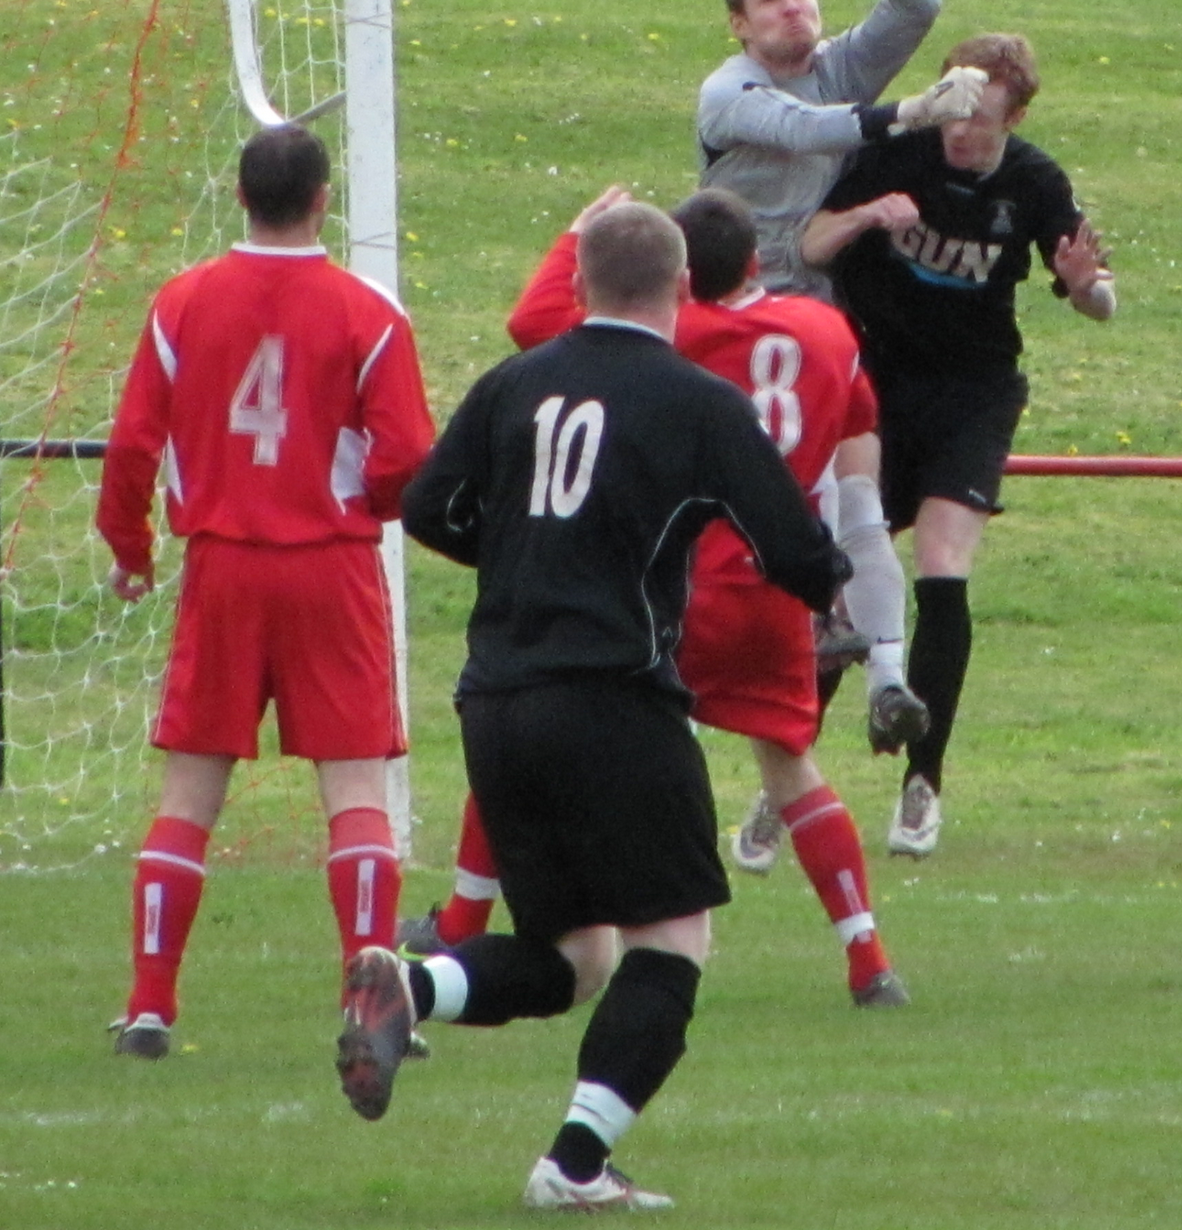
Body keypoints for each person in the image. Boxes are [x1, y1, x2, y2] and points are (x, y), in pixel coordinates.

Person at [338, 201, 849, 1212]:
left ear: (578, 287)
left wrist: (530, 556)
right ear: (683, 291)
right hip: (612, 697)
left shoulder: (514, 382)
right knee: (672, 942)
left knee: (572, 958)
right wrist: (844, 596)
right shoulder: (696, 400)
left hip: (497, 699)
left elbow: (430, 502)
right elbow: (789, 544)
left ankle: (413, 986)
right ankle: (573, 1164)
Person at [402, 186, 910, 1008]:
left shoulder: (662, 338)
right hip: (769, 587)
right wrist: (843, 595)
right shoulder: (827, 329)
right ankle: (867, 954)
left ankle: (463, 917)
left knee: (545, 725)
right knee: (790, 767)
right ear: (753, 261)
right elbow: (858, 431)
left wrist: (577, 238)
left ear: (680, 283)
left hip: (653, 583)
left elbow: (538, 327)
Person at [94, 124, 434, 1059]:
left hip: (222, 566)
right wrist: (369, 502)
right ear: (324, 197)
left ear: (240, 195)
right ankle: (368, 1007)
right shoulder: (368, 311)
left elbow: (131, 444)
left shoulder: (182, 302)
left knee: (191, 786)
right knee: (356, 783)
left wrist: (130, 545)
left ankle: (152, 1004)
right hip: (330, 565)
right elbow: (408, 459)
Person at [700, 0, 980, 828]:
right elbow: (814, 133)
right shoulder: (729, 92)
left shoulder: (834, 65)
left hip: (815, 317)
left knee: (856, 490)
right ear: (739, 23)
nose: (794, 7)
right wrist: (913, 111)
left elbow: (917, 8)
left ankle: (888, 680)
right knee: (767, 500)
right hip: (728, 316)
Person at [801, 33, 1116, 857]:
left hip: (974, 392)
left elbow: (1098, 297)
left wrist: (1087, 288)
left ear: (1015, 116)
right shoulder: (899, 151)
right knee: (842, 569)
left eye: (982, 118)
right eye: (954, 110)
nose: (962, 132)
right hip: (875, 383)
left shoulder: (1034, 180)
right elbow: (809, 245)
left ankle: (921, 782)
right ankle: (789, 770)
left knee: (944, 560)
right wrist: (870, 212)